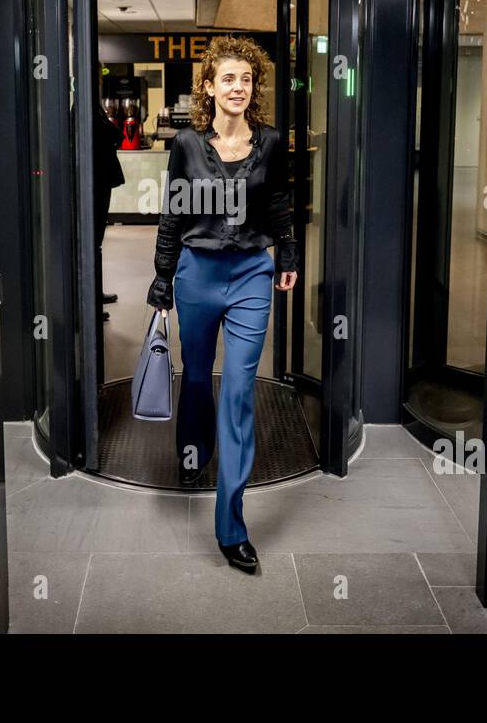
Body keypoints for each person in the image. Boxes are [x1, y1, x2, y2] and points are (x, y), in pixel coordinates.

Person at [146, 35, 299, 574]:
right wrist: (162, 279)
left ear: (254, 88)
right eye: (228, 78)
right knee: (194, 376)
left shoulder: (273, 141)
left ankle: (230, 526)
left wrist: (287, 256)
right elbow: (172, 215)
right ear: (208, 87)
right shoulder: (187, 144)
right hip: (197, 275)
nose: (238, 87)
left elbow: (280, 200)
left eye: (247, 79)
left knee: (237, 391)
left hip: (252, 274)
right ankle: (192, 452)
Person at [94, 99, 126, 320]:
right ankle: (93, 297)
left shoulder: (92, 106)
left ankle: (96, 293)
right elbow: (112, 134)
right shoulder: (88, 107)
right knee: (94, 241)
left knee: (97, 241)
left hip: (100, 180)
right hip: (97, 181)